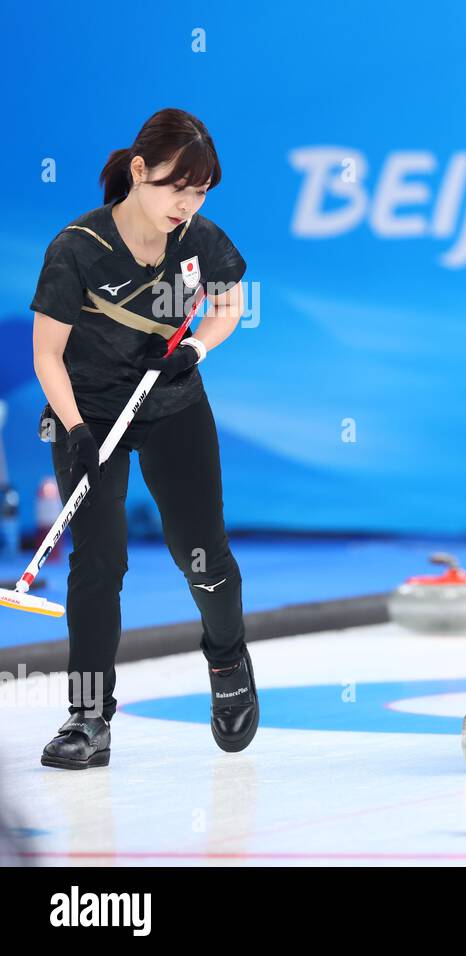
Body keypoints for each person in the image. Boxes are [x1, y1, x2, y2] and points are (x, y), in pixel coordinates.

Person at [28, 108, 257, 769]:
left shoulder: (198, 239)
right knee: (98, 563)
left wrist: (197, 353)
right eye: (174, 187)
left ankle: (226, 658)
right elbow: (47, 355)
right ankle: (88, 719)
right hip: (90, 414)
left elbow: (229, 301)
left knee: (203, 558)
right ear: (138, 172)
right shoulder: (77, 248)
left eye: (200, 191)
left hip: (174, 406)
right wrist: (73, 433)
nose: (186, 203)